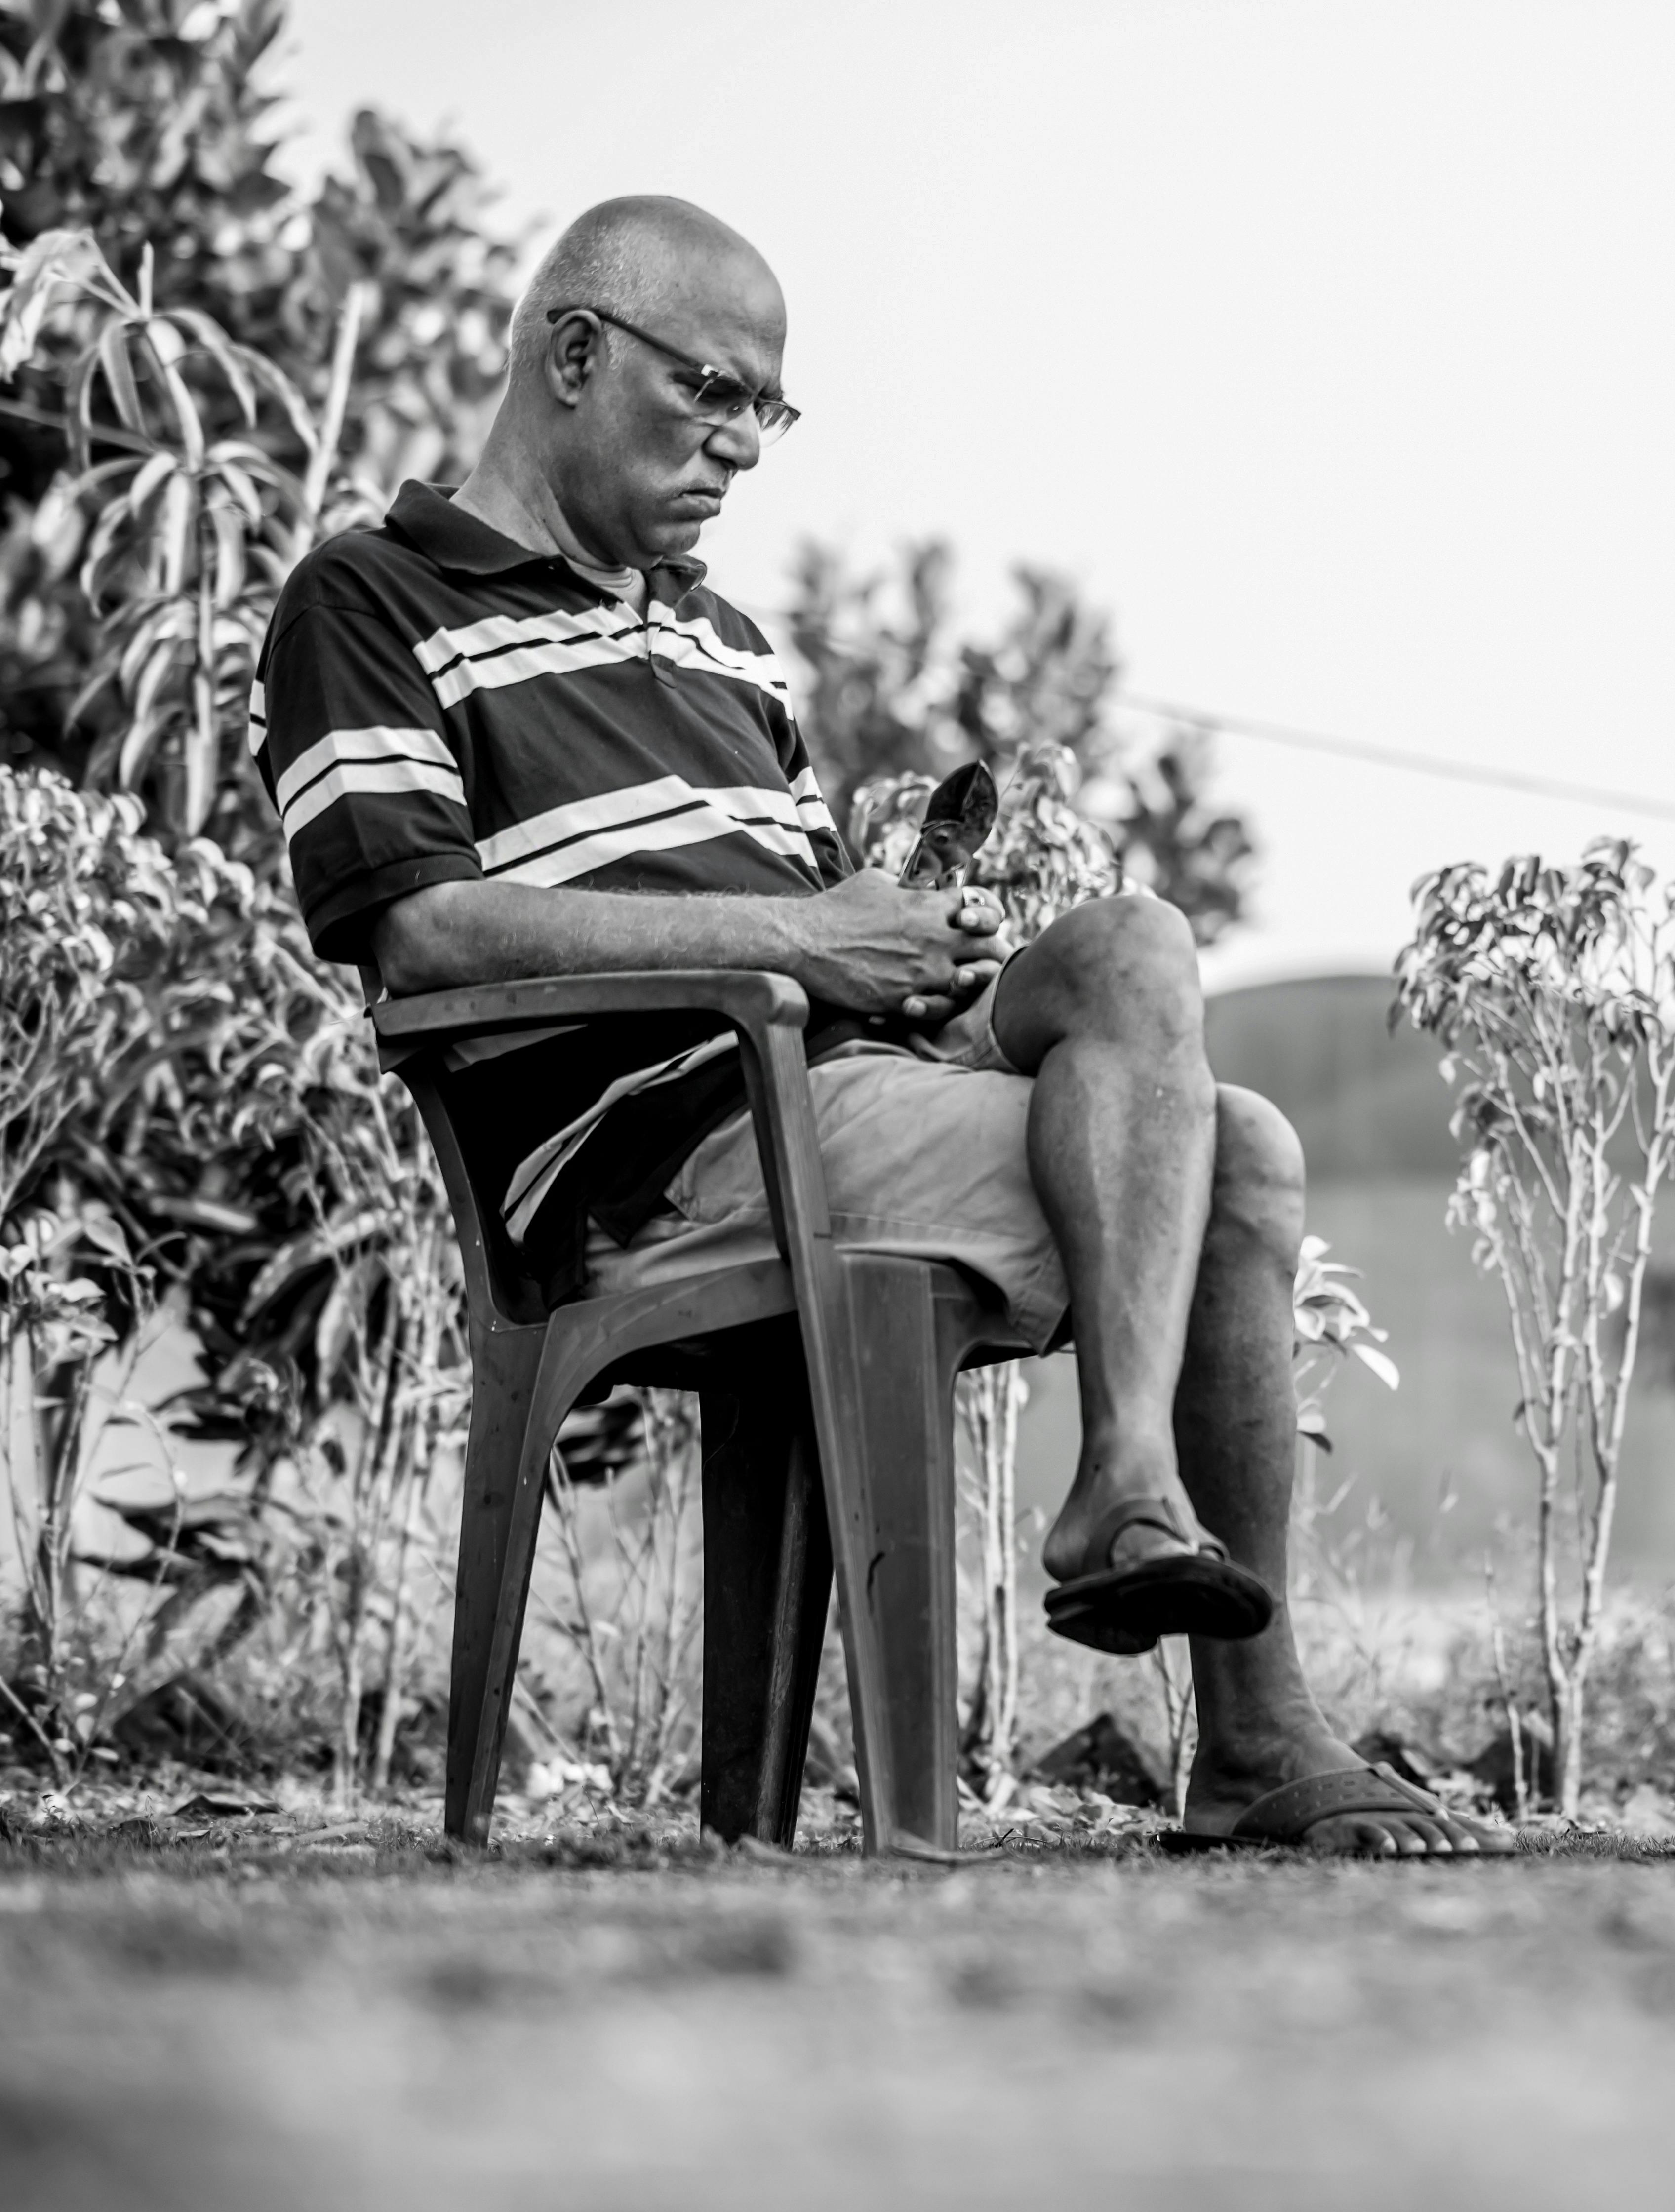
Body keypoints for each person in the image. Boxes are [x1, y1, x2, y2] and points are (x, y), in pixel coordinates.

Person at [253, 195, 1493, 1857]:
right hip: (662, 1147)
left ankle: (1137, 1502)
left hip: (834, 1086)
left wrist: (905, 953)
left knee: (1137, 951)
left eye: (769, 415)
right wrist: (803, 940)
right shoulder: (370, 601)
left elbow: (827, 936)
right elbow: (417, 923)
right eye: (713, 395)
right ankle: (1248, 1717)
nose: (742, 450)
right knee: (1245, 1161)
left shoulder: (729, 652)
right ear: (573, 353)